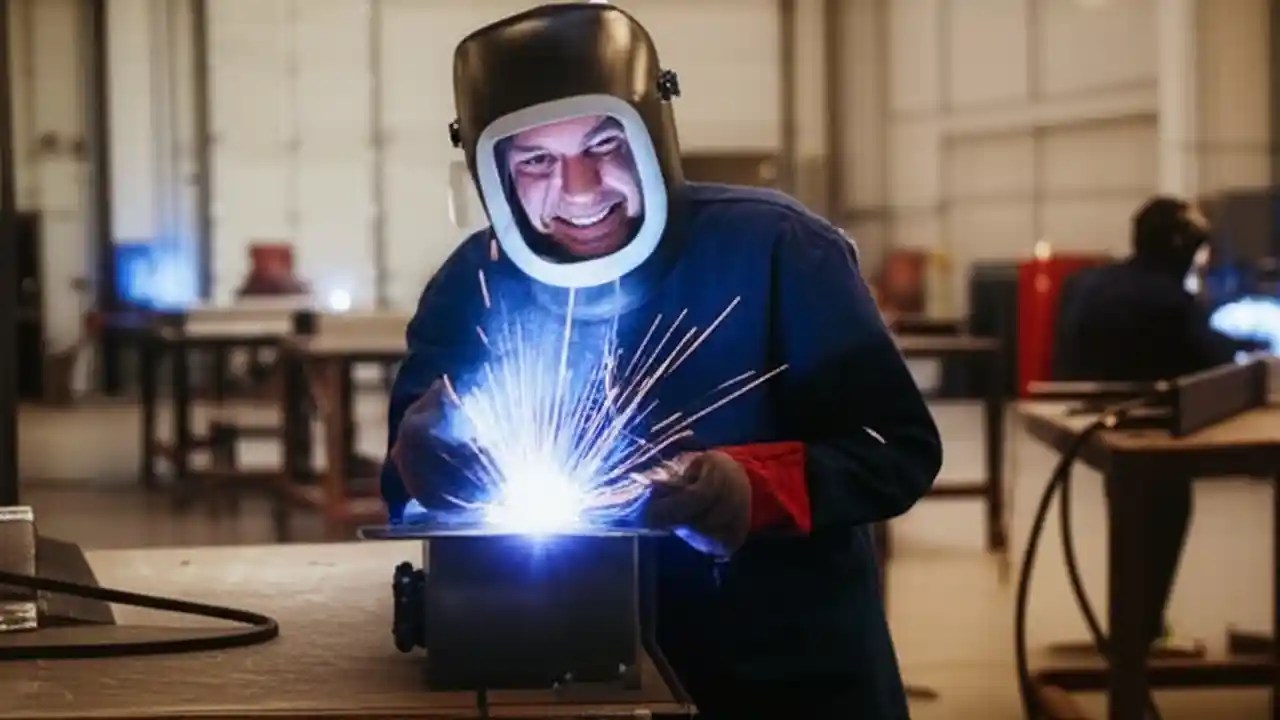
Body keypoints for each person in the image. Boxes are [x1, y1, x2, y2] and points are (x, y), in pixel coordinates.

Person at [380, 4, 942, 717]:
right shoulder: (471, 285)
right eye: (537, 161)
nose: (580, 190)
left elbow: (896, 448)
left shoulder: (779, 249)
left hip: (785, 674)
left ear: (653, 132)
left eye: (604, 145)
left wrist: (752, 487)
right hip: (554, 669)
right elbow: (407, 478)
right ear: (493, 173)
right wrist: (419, 463)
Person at [1053, 196, 1265, 652]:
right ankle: (1142, 635)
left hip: (1097, 423)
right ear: (1180, 247)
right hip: (1151, 433)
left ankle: (1133, 630)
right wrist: (1248, 350)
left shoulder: (1089, 283)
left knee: (1130, 516)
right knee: (1167, 509)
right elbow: (1210, 360)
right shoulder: (1169, 302)